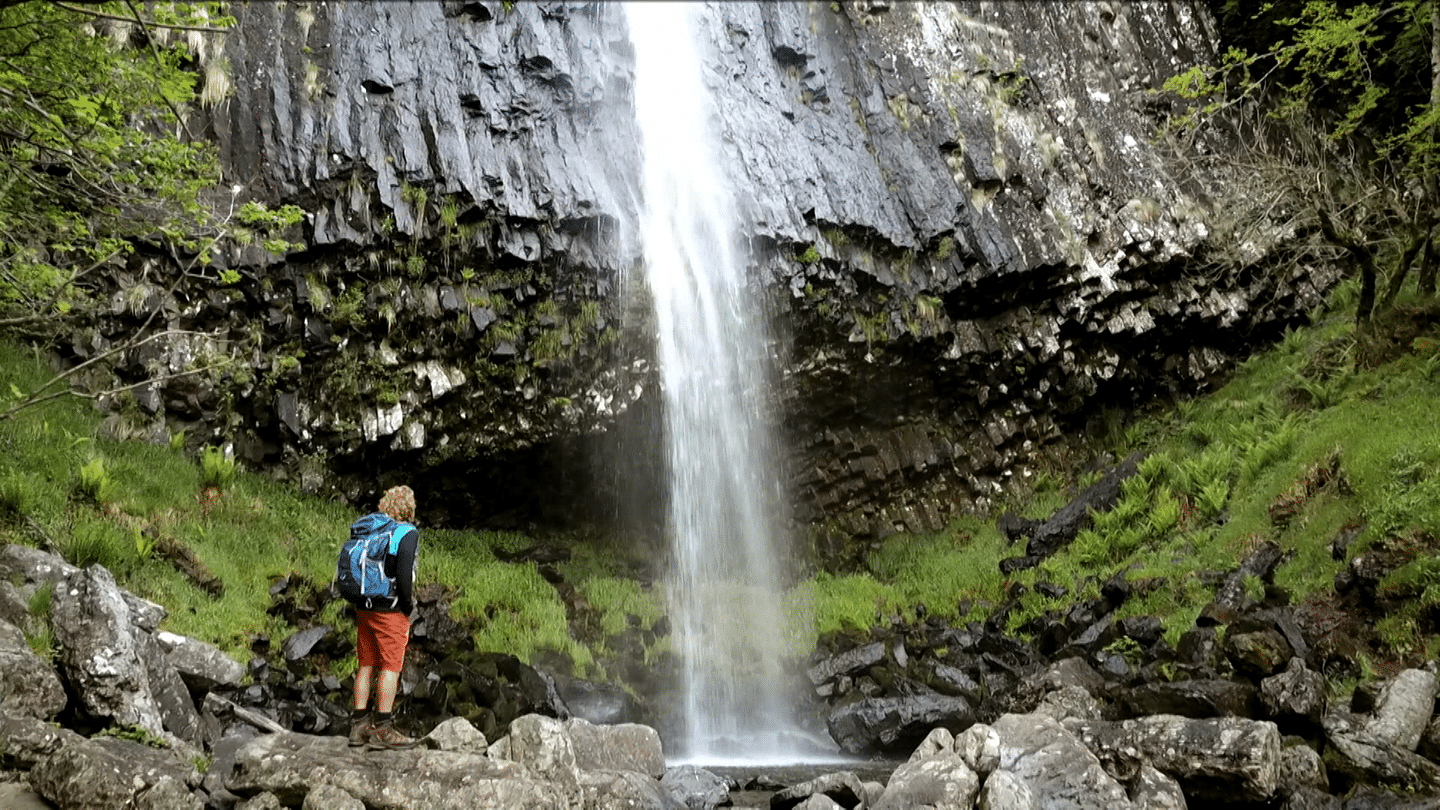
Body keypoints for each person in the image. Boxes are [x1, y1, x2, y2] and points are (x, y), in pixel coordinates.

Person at [347, 484, 420, 749]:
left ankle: (358, 727)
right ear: (408, 507)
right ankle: (384, 729)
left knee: (366, 665)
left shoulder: (371, 529)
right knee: (390, 667)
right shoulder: (405, 532)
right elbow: (402, 574)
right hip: (389, 610)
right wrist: (407, 606)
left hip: (364, 608)